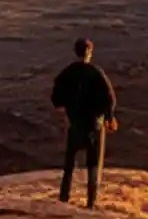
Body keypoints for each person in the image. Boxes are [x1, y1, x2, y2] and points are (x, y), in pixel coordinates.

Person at [50, 38, 118, 209]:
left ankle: (64, 198)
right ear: (89, 52)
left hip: (75, 123)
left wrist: (66, 108)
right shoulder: (96, 72)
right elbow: (109, 97)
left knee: (69, 164)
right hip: (94, 124)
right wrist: (109, 118)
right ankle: (91, 203)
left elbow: (56, 98)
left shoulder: (67, 73)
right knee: (93, 164)